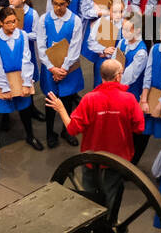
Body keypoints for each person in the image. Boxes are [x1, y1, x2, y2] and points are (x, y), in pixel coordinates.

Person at [46, 58, 145, 214]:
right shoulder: (129, 100)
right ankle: (108, 222)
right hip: (118, 158)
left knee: (89, 193)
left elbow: (72, 129)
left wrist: (61, 109)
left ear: (101, 75)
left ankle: (89, 219)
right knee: (112, 192)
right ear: (118, 76)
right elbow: (139, 128)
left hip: (92, 156)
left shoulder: (89, 100)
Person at [0, 6, 43, 151]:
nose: (12, 25)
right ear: (1, 23)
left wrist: (26, 81)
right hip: (2, 79)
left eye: (14, 21)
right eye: (8, 22)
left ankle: (30, 136)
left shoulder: (22, 35)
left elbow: (26, 58)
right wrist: (4, 87)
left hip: (20, 77)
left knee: (25, 108)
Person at [37, 0, 84, 147]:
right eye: (56, 4)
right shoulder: (43, 19)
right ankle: (50, 133)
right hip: (50, 68)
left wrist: (63, 69)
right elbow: (41, 47)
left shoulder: (75, 21)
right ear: (52, 3)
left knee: (67, 101)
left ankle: (66, 131)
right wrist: (52, 68)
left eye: (62, 4)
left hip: (68, 69)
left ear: (68, 3)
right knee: (50, 102)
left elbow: (75, 48)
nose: (58, 8)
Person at [116, 8, 151, 163]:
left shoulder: (141, 52)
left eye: (126, 29)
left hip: (132, 94)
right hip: (120, 91)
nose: (123, 32)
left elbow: (128, 78)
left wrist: (115, 75)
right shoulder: (123, 42)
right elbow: (113, 60)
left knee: (130, 130)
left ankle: (130, 161)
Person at [84, 0, 124, 90]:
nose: (118, 15)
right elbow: (90, 42)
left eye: (121, 11)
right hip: (104, 61)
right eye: (114, 11)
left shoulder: (125, 24)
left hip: (119, 63)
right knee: (100, 87)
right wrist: (103, 50)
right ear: (109, 10)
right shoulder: (102, 23)